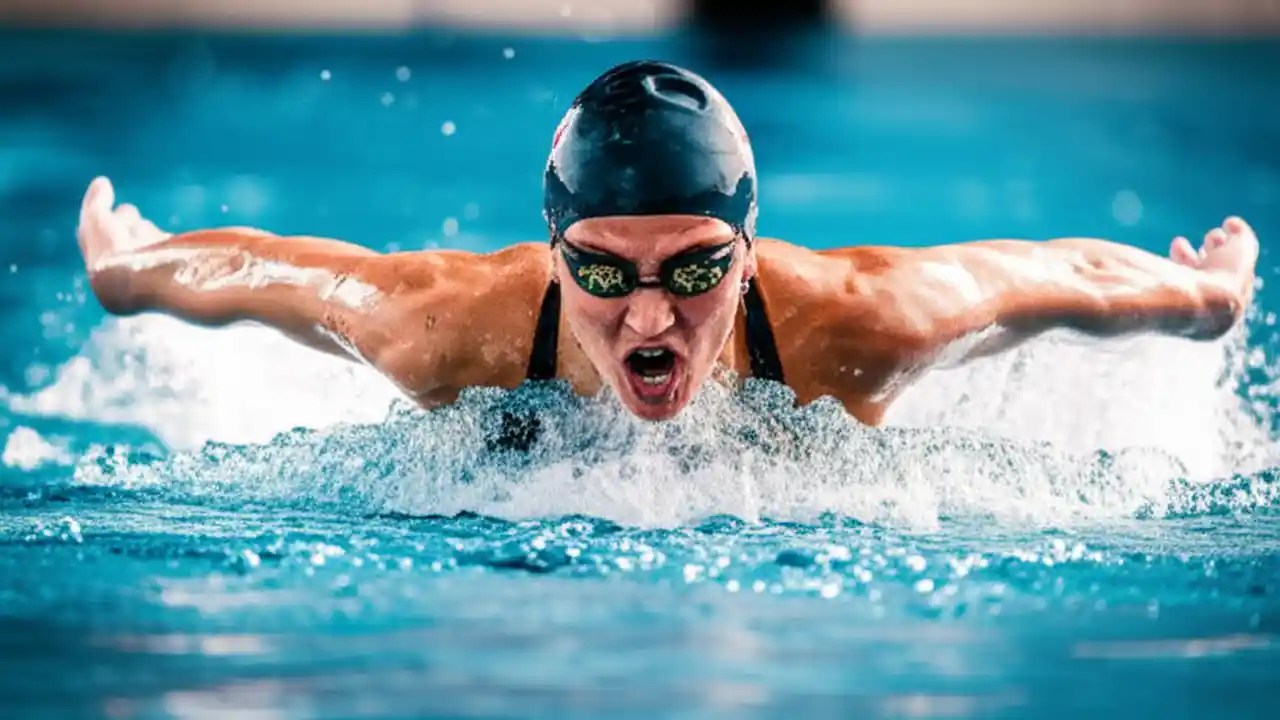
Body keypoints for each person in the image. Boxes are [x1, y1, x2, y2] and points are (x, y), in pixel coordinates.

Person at [76, 60, 1259, 431]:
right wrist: (130, 272)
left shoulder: (856, 320)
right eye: (602, 271)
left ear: (748, 256)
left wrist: (1202, 299)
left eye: (693, 270)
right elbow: (275, 276)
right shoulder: (446, 329)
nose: (649, 317)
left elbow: (1049, 278)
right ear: (552, 259)